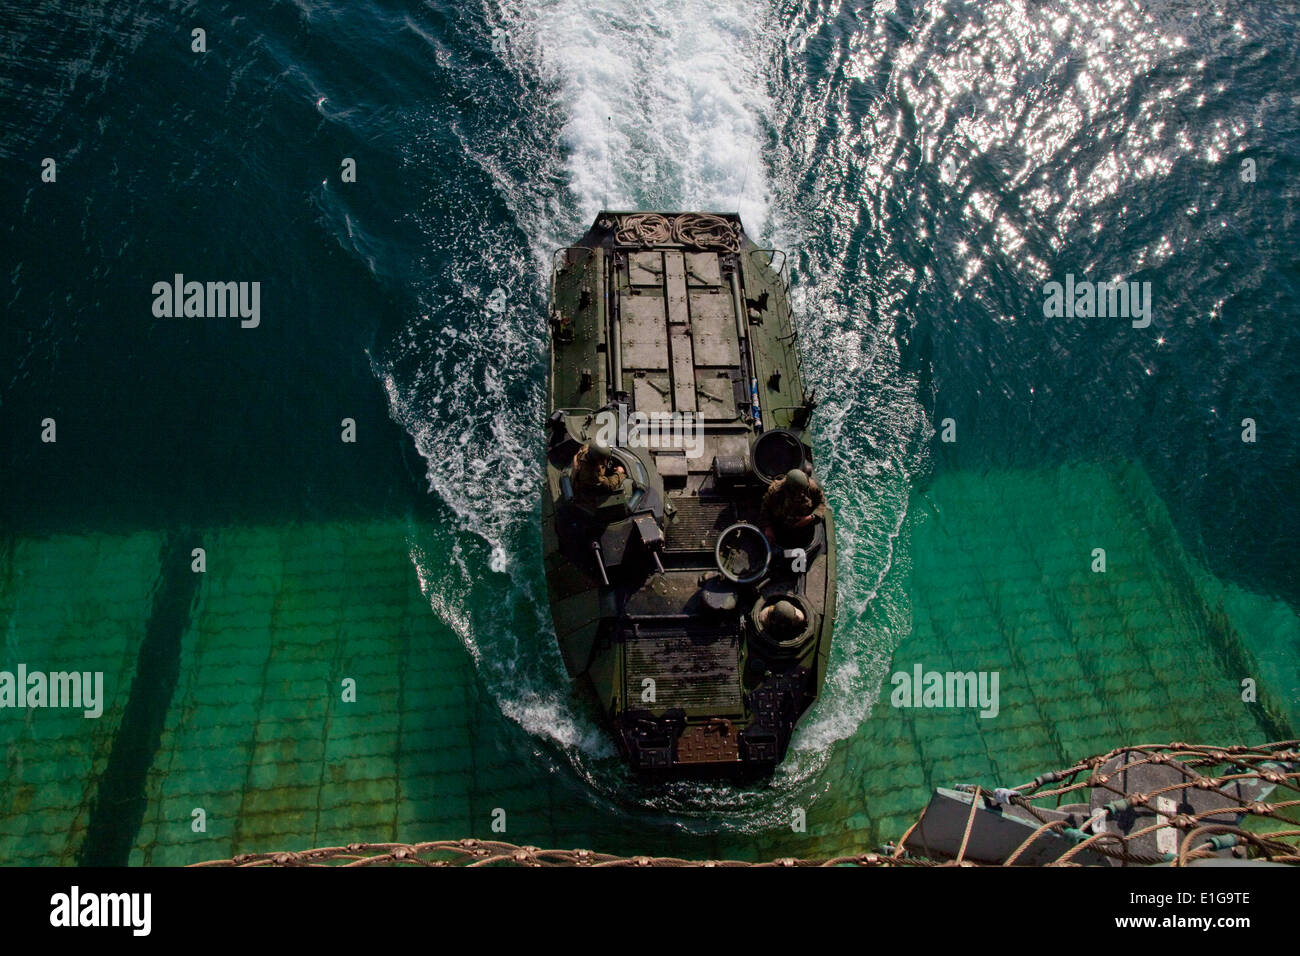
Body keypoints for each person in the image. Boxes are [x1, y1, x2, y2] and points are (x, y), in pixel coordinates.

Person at [760, 467, 825, 542]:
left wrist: (811, 517)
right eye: (797, 491)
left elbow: (821, 502)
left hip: (803, 521)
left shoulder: (811, 486)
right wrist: (767, 527)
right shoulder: (775, 491)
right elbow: (765, 508)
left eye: (802, 490)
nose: (801, 494)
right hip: (782, 520)